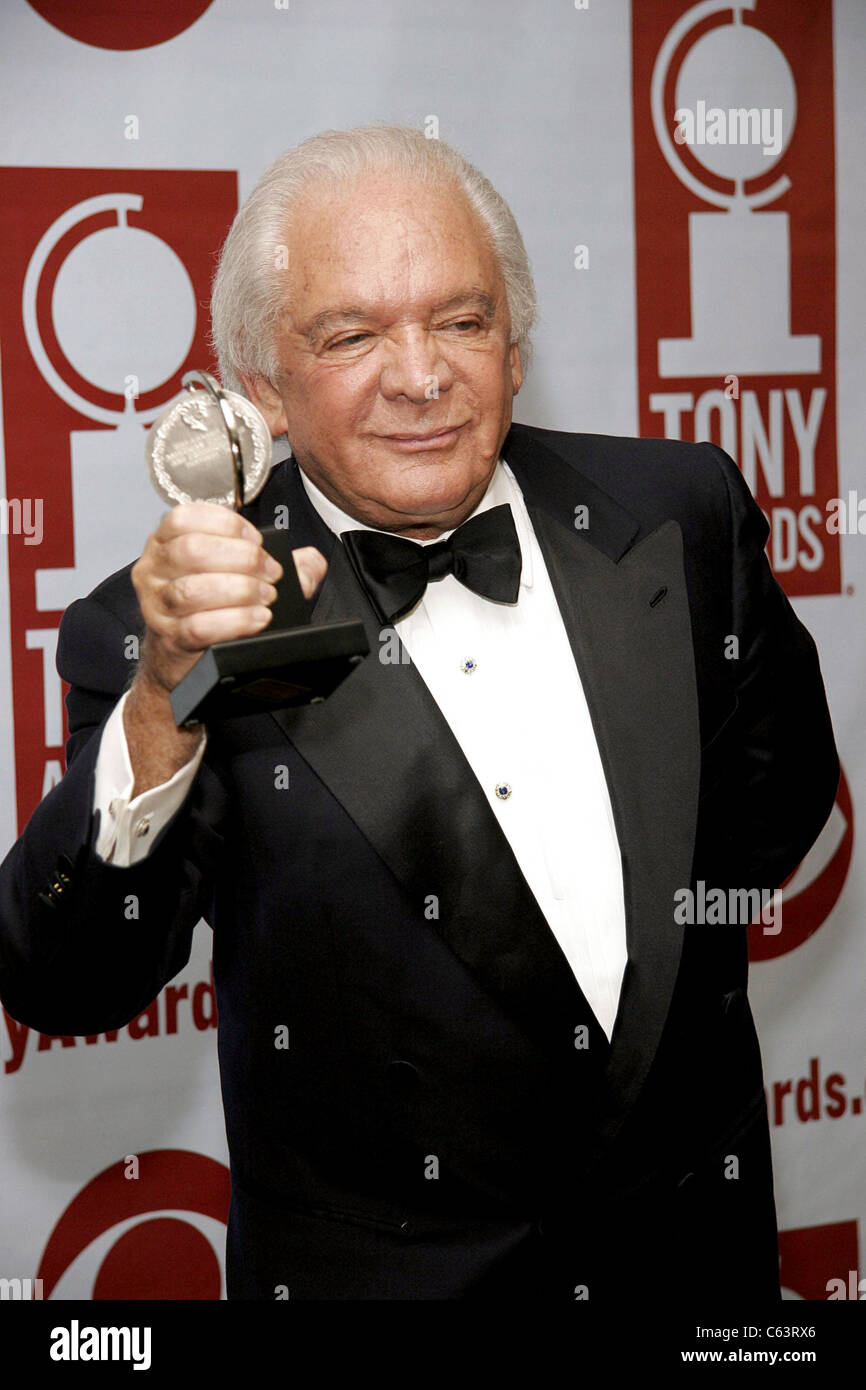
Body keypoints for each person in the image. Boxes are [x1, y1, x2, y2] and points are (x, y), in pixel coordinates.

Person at [0, 125, 839, 1301]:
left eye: (461, 319)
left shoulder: (674, 510)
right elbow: (65, 977)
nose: (420, 373)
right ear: (262, 390)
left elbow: (778, 811)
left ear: (515, 337)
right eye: (349, 335)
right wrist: (163, 705)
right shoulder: (182, 626)